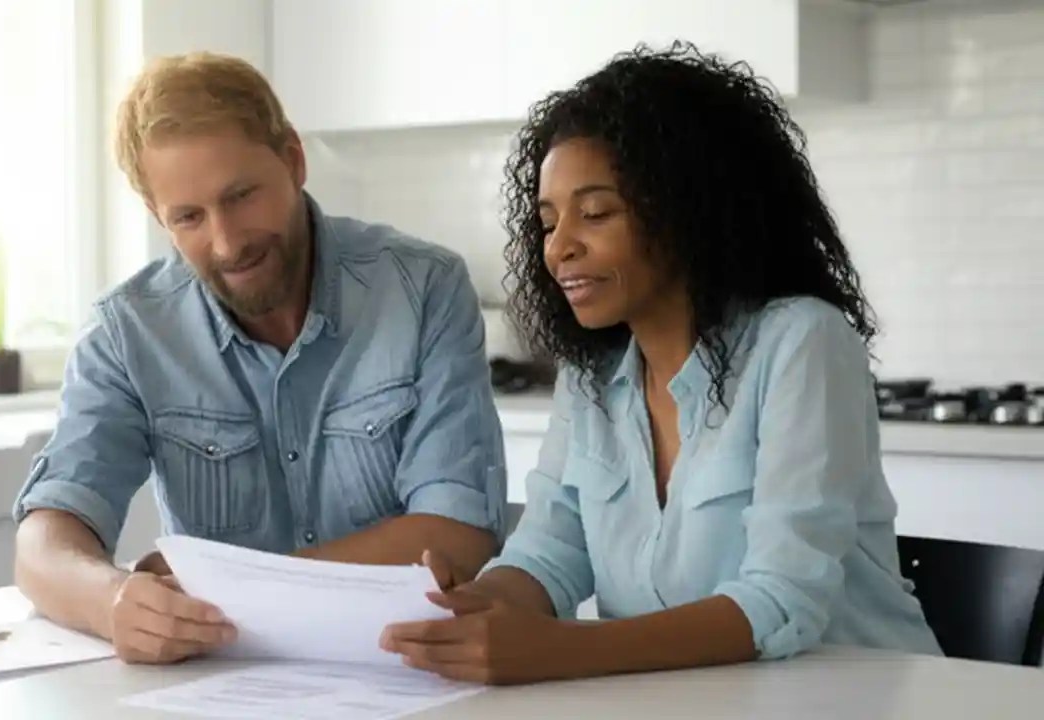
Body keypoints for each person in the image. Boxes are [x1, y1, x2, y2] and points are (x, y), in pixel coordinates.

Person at [380, 43, 941, 685]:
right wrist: (476, 606)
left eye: (596, 214)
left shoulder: (802, 341)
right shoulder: (590, 376)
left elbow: (782, 601)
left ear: (687, 212)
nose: (560, 247)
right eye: (548, 222)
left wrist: (555, 651)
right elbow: (549, 555)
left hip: (858, 699)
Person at [12, 52, 506, 665]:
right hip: (220, 684)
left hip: (402, 673)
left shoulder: (423, 287)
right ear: (160, 219)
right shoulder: (128, 331)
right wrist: (112, 602)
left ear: (293, 160)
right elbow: (43, 545)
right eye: (189, 217)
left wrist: (227, 583)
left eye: (241, 196)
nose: (226, 242)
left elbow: (458, 533)